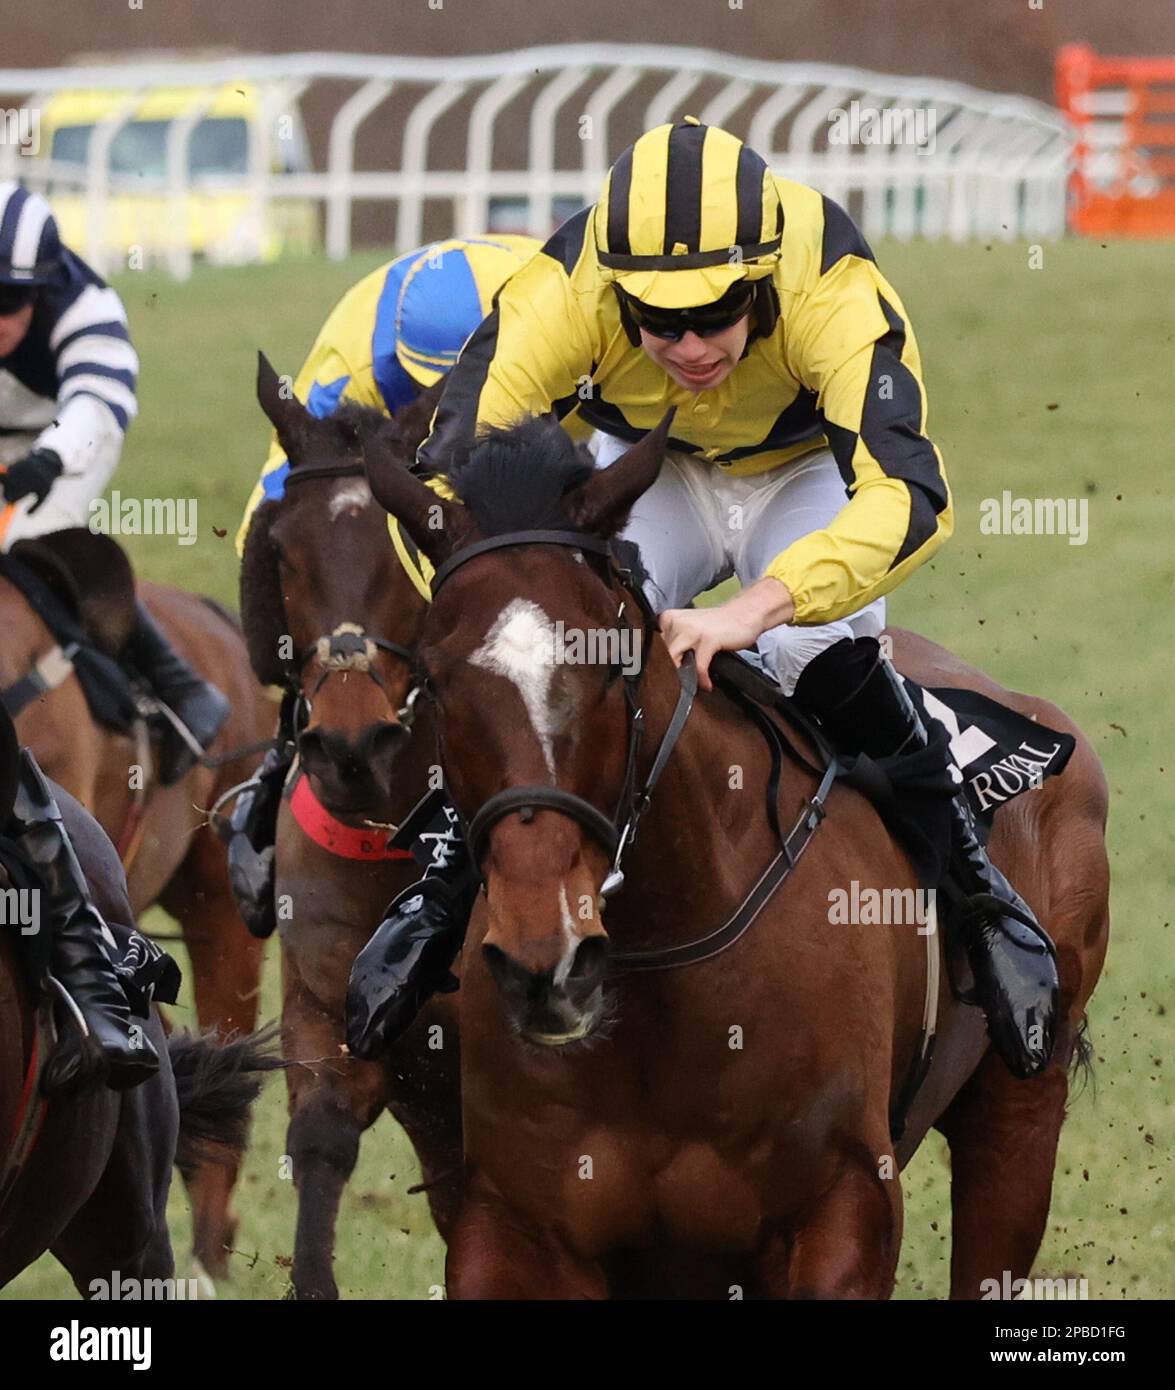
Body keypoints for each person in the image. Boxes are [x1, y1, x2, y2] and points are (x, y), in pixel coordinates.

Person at [346, 119, 1059, 1080]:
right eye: (657, 321)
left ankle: (980, 902)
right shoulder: (568, 283)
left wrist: (756, 607)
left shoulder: (834, 285)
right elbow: (441, 486)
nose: (687, 343)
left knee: (817, 653)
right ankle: (441, 889)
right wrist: (493, 617)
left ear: (763, 278)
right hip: (652, 471)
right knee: (541, 651)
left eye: (717, 313)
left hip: (801, 473)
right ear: (616, 290)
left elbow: (910, 498)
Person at [229, 233, 541, 935]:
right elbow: (277, 502)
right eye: (422, 381)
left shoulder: (554, 316)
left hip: (538, 415)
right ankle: (278, 770)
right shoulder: (352, 357)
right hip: (394, 432)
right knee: (310, 559)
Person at [0, 181, 230, 781]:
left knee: (34, 538)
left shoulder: (87, 309)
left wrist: (49, 457)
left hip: (71, 433)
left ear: (43, 287)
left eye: (10, 300)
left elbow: (96, 404)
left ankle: (181, 688)